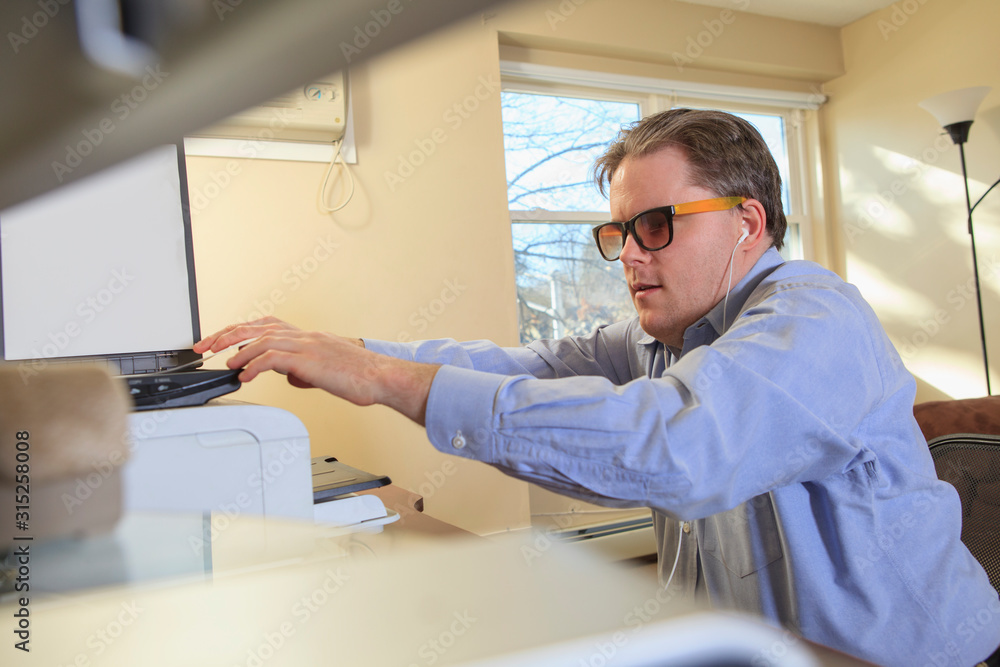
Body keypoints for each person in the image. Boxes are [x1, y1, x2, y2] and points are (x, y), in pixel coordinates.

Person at [196, 109, 1000, 667]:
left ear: (748, 223)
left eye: (657, 224)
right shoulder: (665, 336)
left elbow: (677, 445)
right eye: (620, 231)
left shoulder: (813, 317)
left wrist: (381, 379)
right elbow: (523, 367)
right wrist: (348, 352)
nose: (629, 256)